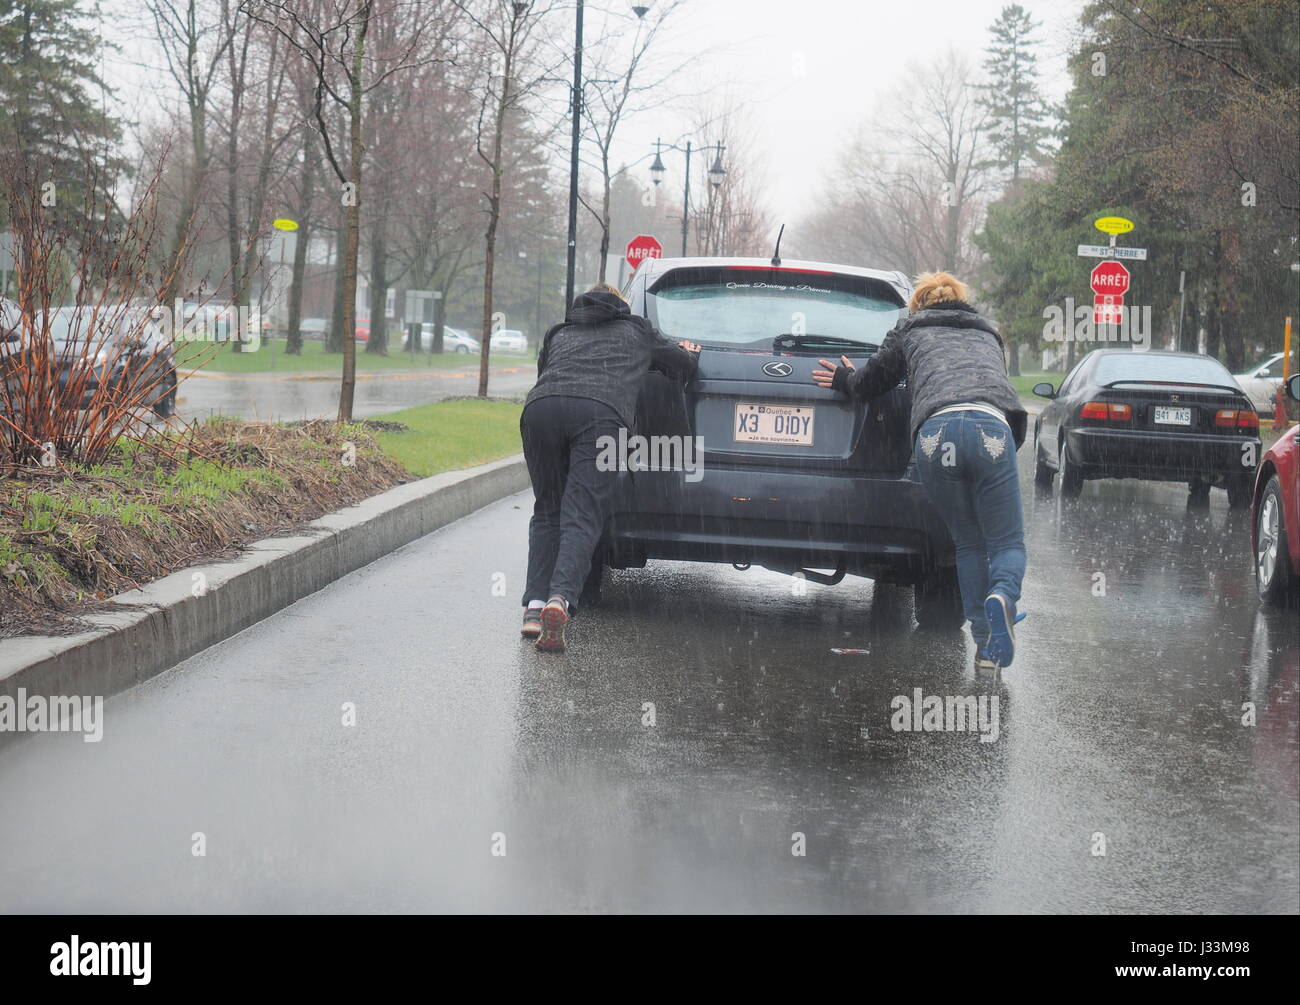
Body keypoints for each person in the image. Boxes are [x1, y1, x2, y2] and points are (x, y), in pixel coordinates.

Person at [812, 272, 1028, 669]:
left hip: (935, 432)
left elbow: (870, 382)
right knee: (1006, 542)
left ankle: (986, 643)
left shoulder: (909, 329)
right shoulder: (989, 333)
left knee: (968, 544)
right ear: (962, 301)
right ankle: (1002, 599)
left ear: (918, 304)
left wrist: (843, 378)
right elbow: (996, 386)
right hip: (988, 429)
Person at [520, 282, 700, 653]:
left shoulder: (560, 332)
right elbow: (681, 366)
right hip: (601, 416)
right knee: (582, 513)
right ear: (621, 306)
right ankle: (561, 599)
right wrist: (689, 353)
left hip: (540, 411)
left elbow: (546, 371)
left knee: (547, 510)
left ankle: (534, 608)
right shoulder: (636, 329)